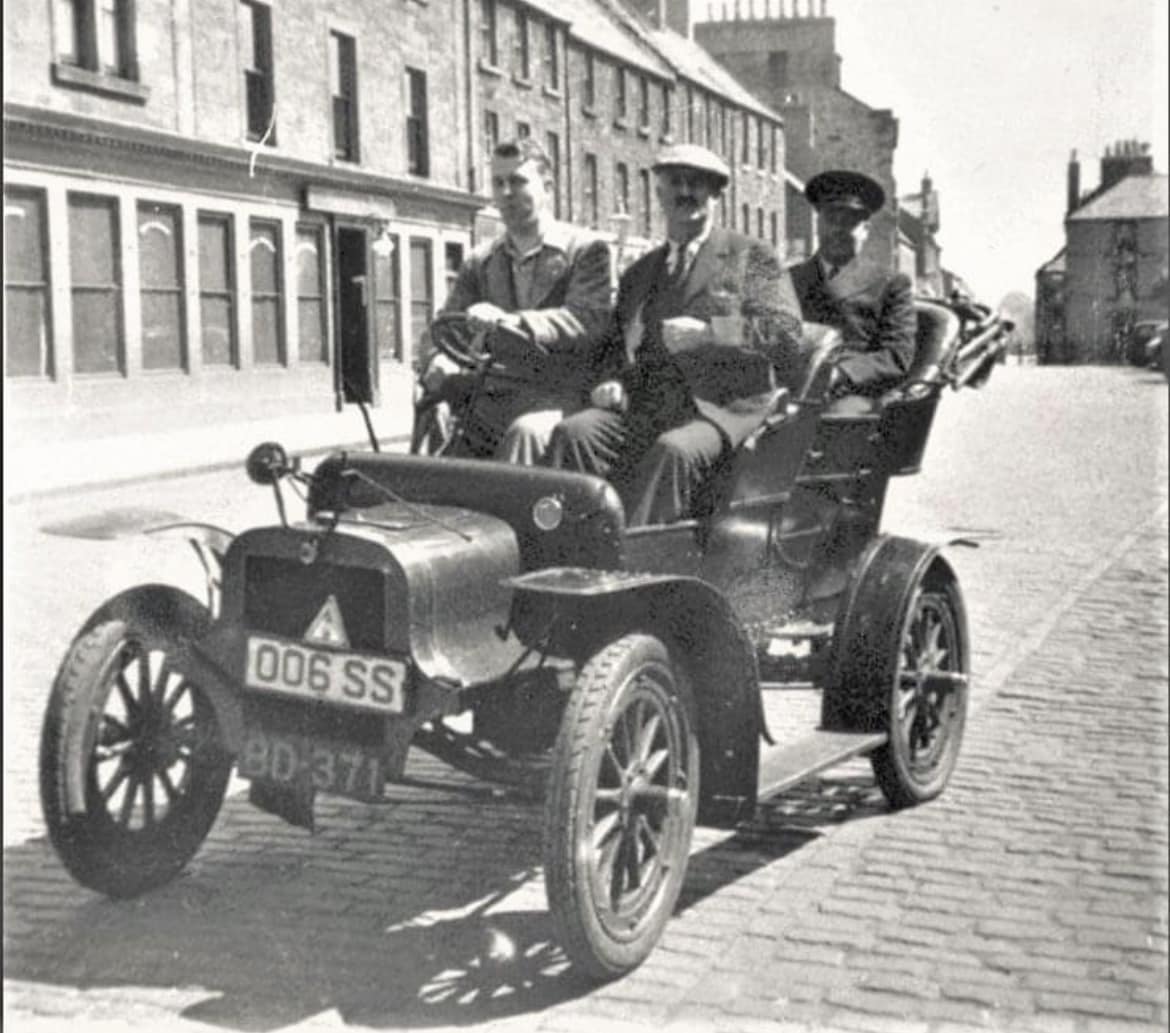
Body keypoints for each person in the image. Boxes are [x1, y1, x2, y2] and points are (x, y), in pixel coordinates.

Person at [546, 143, 804, 527]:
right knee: (575, 432)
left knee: (674, 451)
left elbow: (786, 335)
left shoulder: (752, 256)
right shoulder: (641, 272)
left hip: (723, 409)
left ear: (716, 194)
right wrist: (612, 381)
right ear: (659, 193)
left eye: (698, 184)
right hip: (650, 405)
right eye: (675, 183)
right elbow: (614, 347)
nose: (685, 193)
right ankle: (560, 546)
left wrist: (712, 334)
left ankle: (630, 568)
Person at [420, 138, 612, 463]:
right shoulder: (481, 260)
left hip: (562, 397)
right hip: (495, 394)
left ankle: (512, 514)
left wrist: (509, 321)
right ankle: (434, 509)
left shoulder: (585, 250)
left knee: (525, 433)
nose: (506, 193)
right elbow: (445, 326)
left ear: (547, 186)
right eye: (498, 183)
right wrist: (438, 358)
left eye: (518, 181)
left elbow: (587, 319)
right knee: (437, 413)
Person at [788, 169, 916, 414]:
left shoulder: (891, 284)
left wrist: (841, 372)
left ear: (865, 229)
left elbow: (896, 356)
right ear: (817, 224)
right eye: (830, 219)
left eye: (849, 221)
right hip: (793, 384)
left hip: (852, 392)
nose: (838, 229)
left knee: (833, 420)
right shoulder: (788, 279)